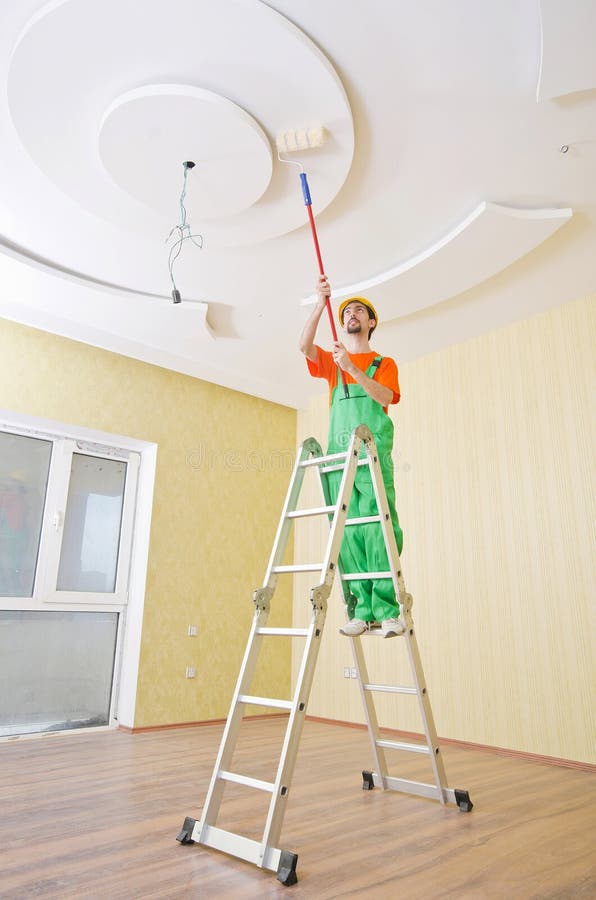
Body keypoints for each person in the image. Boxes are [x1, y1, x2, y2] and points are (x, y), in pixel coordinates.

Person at [299, 275, 405, 638]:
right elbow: (304, 346)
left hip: (372, 456)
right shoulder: (332, 363)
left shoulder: (382, 363)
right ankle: (361, 610)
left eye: (359, 310)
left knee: (379, 529)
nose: (351, 315)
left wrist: (352, 369)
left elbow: (385, 397)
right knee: (348, 533)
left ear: (371, 322)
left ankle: (388, 610)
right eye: (346, 312)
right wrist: (319, 303)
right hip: (341, 457)